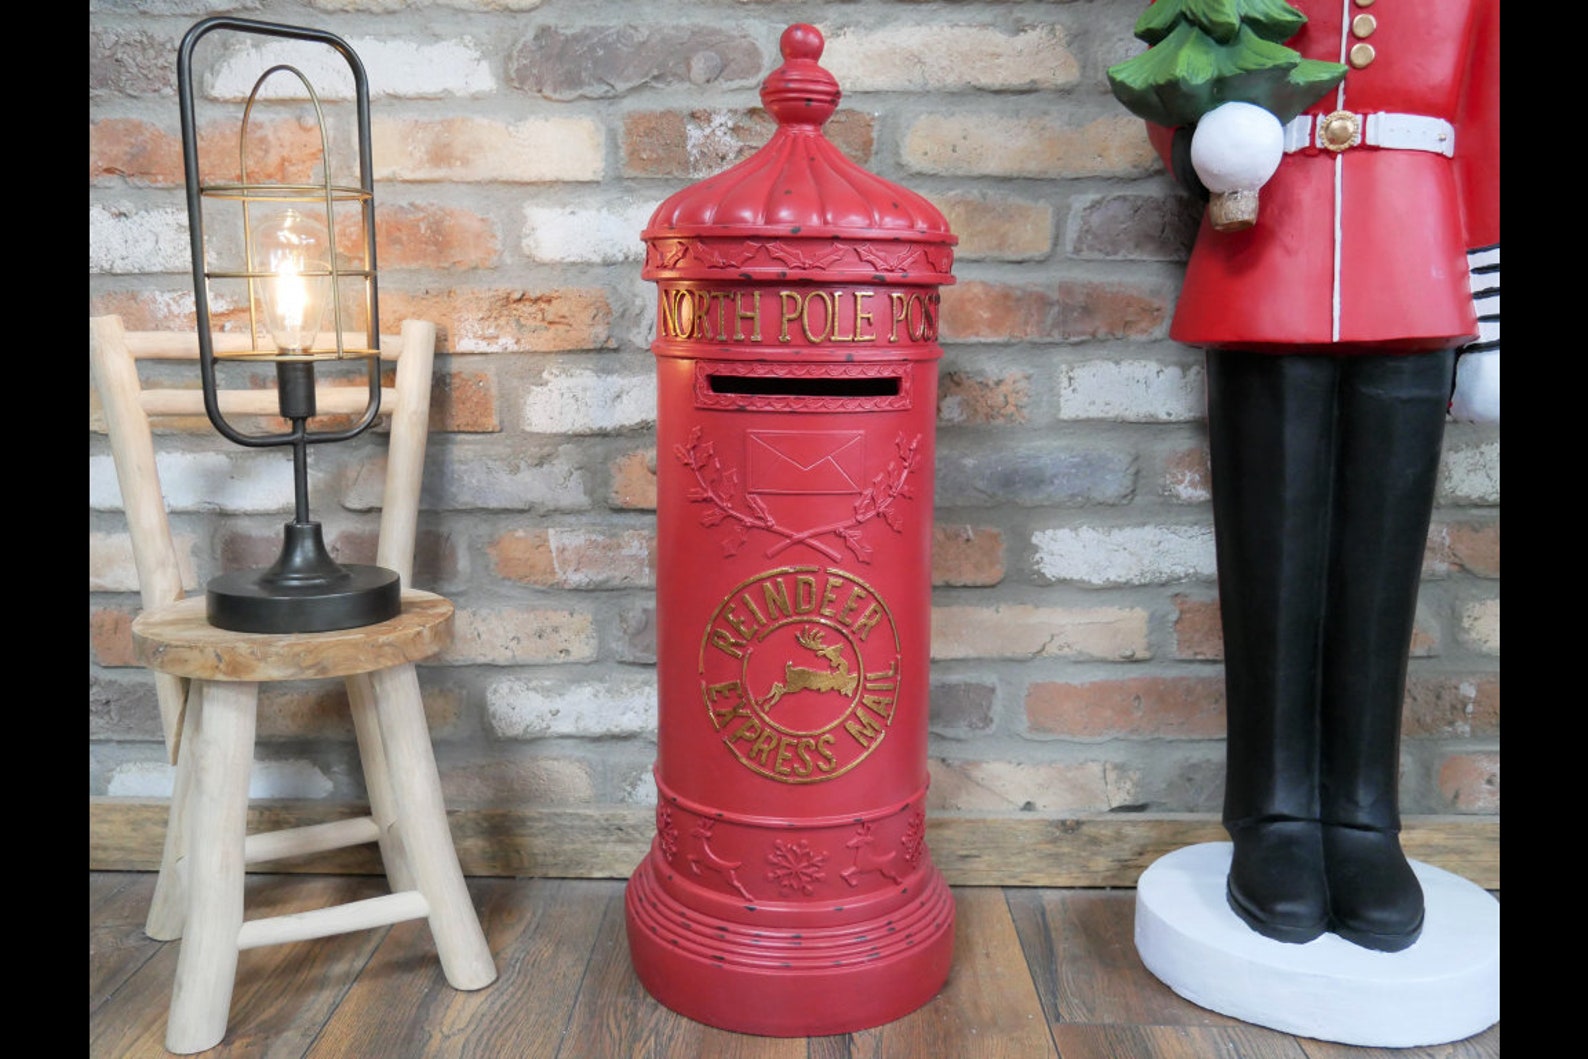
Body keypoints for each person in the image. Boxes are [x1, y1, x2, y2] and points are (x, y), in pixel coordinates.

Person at [1140, 0, 1499, 952]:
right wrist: (1207, 146)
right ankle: (1273, 811)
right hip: (1269, 245)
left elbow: (1490, 125)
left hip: (1415, 248)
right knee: (1269, 558)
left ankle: (1361, 815)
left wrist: (1492, 300)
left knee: (1381, 567)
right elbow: (1177, 65)